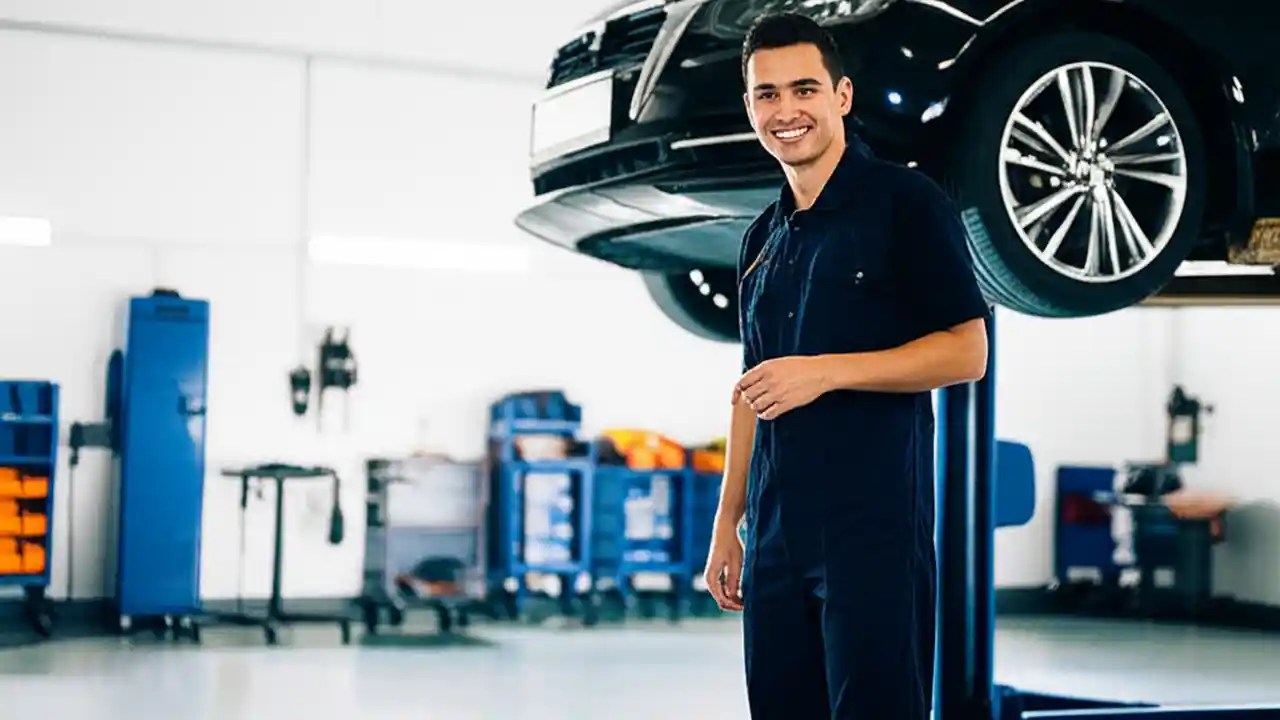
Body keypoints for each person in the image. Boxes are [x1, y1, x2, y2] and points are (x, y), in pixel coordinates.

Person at [701, 12, 991, 720]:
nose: (786, 110)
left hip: (873, 530)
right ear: (750, 109)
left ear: (843, 96)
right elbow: (750, 391)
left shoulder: (905, 204)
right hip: (774, 533)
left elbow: (966, 351)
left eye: (804, 89)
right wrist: (726, 524)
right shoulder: (761, 238)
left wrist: (826, 371)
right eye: (767, 95)